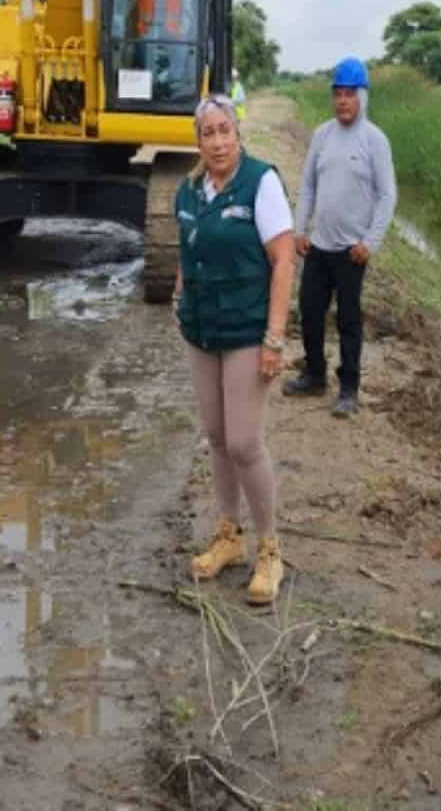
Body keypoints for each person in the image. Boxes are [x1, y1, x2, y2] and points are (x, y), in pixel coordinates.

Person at [174, 94, 296, 605]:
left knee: (246, 442)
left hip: (247, 331)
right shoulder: (188, 190)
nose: (219, 141)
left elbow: (284, 259)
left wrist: (274, 337)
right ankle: (229, 536)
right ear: (198, 140)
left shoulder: (261, 182)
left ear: (238, 133)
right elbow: (186, 248)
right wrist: (180, 295)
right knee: (218, 437)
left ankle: (270, 550)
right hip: (203, 333)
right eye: (209, 133)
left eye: (226, 130)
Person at [284, 57, 397, 418]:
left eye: (350, 94)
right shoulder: (322, 135)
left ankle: (349, 388)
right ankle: (314, 373)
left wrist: (370, 242)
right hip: (319, 245)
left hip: (352, 251)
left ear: (362, 97)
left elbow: (387, 195)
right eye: (338, 94)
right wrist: (300, 230)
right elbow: (309, 184)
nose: (343, 101)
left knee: (349, 319)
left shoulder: (374, 140)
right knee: (310, 310)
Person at [134, 0, 193, 92]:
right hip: (148, 33)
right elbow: (128, 3)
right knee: (142, 48)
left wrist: (182, 32)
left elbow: (187, 14)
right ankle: (149, 84)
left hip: (172, 35)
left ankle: (172, 84)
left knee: (182, 50)